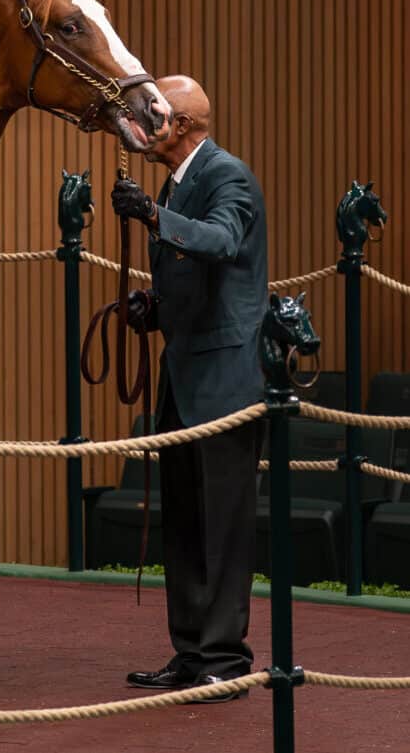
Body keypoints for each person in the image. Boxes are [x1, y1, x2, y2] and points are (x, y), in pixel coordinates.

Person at [110, 74, 268, 698]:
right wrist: (154, 306)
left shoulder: (227, 176)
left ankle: (226, 659)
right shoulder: (179, 179)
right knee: (183, 516)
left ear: (182, 126)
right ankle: (191, 651)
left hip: (224, 382)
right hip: (186, 375)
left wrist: (153, 214)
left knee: (222, 525)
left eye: (153, 114)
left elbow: (223, 241)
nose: (143, 123)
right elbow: (193, 272)